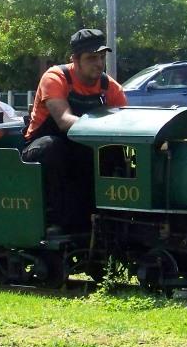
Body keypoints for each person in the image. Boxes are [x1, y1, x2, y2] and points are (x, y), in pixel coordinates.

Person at [21, 28, 127, 233]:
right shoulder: (54, 77)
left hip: (82, 147)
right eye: (91, 58)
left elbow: (125, 123)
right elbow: (64, 120)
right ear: (75, 60)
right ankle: (53, 220)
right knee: (52, 148)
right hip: (39, 149)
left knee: (114, 151)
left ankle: (110, 217)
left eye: (102, 57)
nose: (99, 63)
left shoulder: (110, 88)